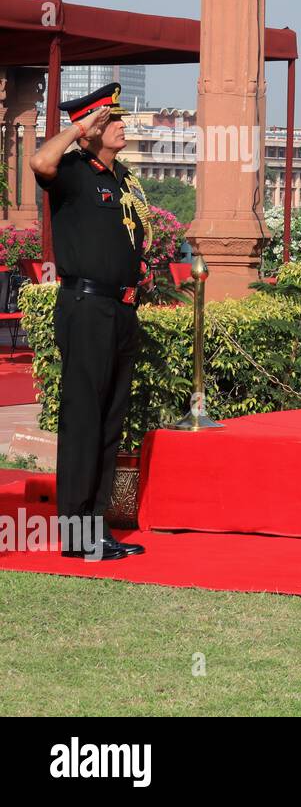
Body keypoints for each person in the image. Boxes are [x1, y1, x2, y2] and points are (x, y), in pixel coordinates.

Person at [28, 83, 149, 561]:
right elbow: (40, 161)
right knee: (83, 423)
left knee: (109, 423)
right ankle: (78, 538)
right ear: (93, 128)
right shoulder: (75, 172)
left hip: (121, 310)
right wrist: (78, 129)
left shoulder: (122, 180)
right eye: (113, 119)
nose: (122, 125)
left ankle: (97, 531)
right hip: (87, 308)